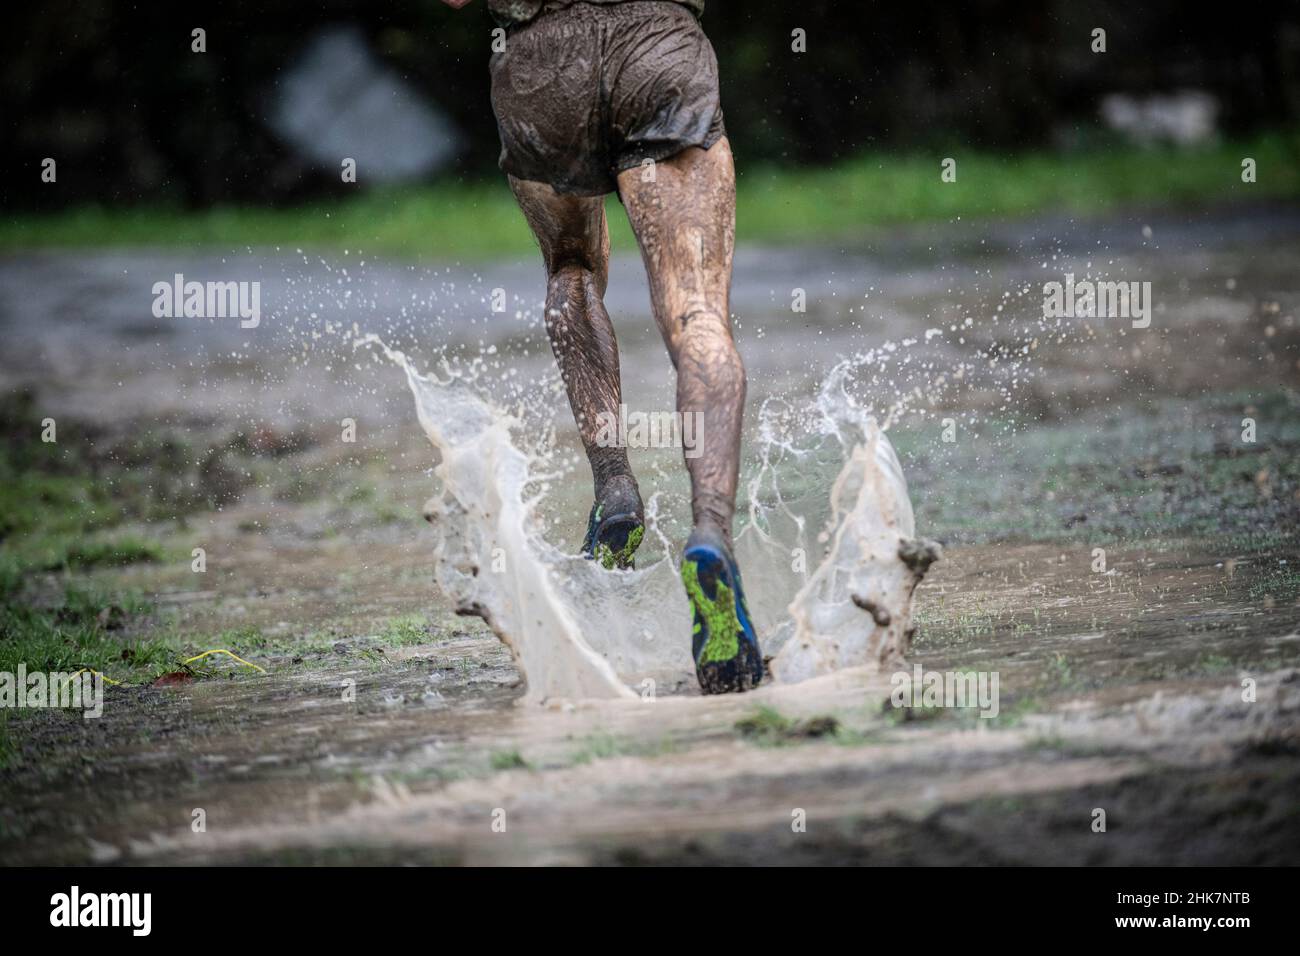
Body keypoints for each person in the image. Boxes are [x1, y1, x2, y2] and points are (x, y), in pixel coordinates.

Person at [448, 0, 762, 693]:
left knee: (571, 270)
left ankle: (615, 488)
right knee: (696, 310)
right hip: (656, 48)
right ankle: (711, 538)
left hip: (540, 70)